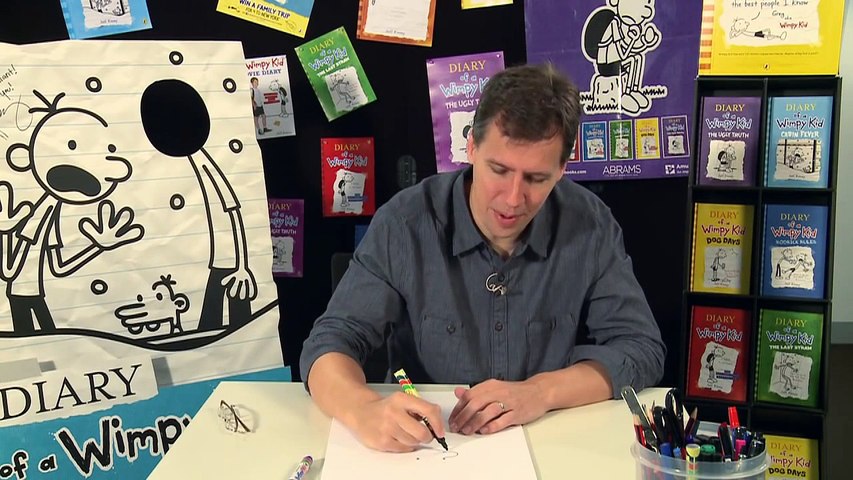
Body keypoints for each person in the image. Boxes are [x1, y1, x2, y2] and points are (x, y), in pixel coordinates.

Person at [300, 63, 665, 453]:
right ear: (471, 146)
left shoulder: (589, 225)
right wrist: (364, 409)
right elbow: (329, 343)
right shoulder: (405, 223)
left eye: (536, 178)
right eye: (499, 170)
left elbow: (640, 348)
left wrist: (541, 392)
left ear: (562, 168)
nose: (513, 199)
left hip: (548, 444)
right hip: (427, 448)